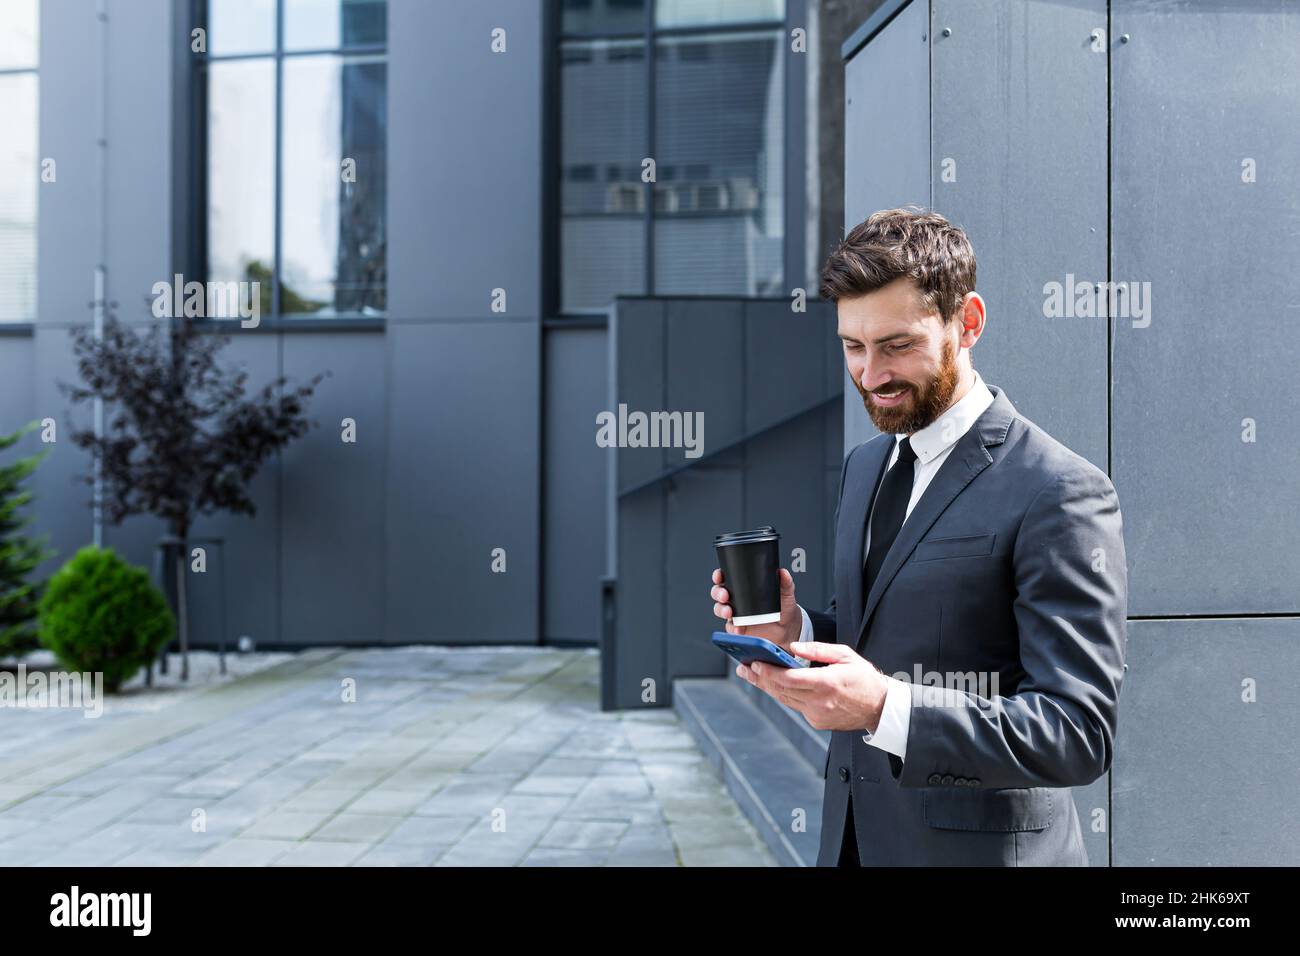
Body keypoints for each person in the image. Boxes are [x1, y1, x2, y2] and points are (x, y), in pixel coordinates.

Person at [709, 207, 1127, 866]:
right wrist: (800, 635)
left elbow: (1076, 734)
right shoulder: (868, 465)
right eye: (853, 346)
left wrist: (884, 708)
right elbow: (880, 630)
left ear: (968, 322)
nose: (872, 375)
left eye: (897, 344)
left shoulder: (1060, 491)